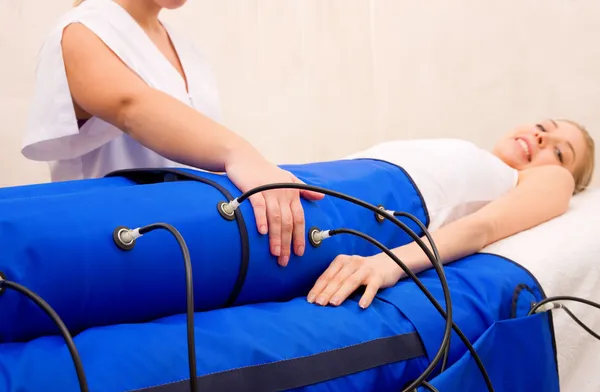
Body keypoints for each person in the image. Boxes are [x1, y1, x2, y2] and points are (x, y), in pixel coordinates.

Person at [21, 0, 324, 268]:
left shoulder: (185, 46)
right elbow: (131, 106)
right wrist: (242, 155)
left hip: (187, 243)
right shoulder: (83, 29)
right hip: (111, 251)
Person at [307, 119, 596, 309]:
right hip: (319, 179)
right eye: (542, 126)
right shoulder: (474, 157)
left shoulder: (555, 179)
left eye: (560, 153)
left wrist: (389, 263)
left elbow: (484, 227)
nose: (541, 137)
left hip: (355, 206)